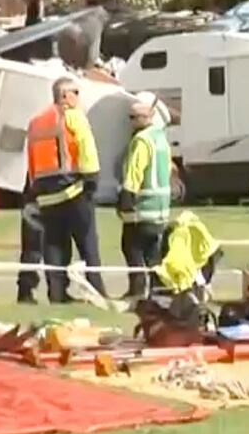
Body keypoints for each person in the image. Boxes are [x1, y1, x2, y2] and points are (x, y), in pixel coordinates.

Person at [18, 76, 104, 304]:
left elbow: (31, 159)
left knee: (54, 246)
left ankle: (57, 292)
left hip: (47, 196)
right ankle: (97, 291)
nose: (78, 97)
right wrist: (92, 180)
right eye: (76, 92)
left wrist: (36, 189)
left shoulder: (37, 121)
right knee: (88, 246)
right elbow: (86, 147)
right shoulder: (73, 116)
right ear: (65, 95)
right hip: (74, 191)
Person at [117, 92, 172, 301]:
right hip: (160, 208)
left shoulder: (141, 140)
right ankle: (157, 292)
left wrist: (127, 196)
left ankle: (137, 290)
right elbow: (166, 169)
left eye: (132, 118)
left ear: (143, 118)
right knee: (154, 255)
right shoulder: (160, 138)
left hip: (142, 208)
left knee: (132, 248)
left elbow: (135, 170)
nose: (130, 122)